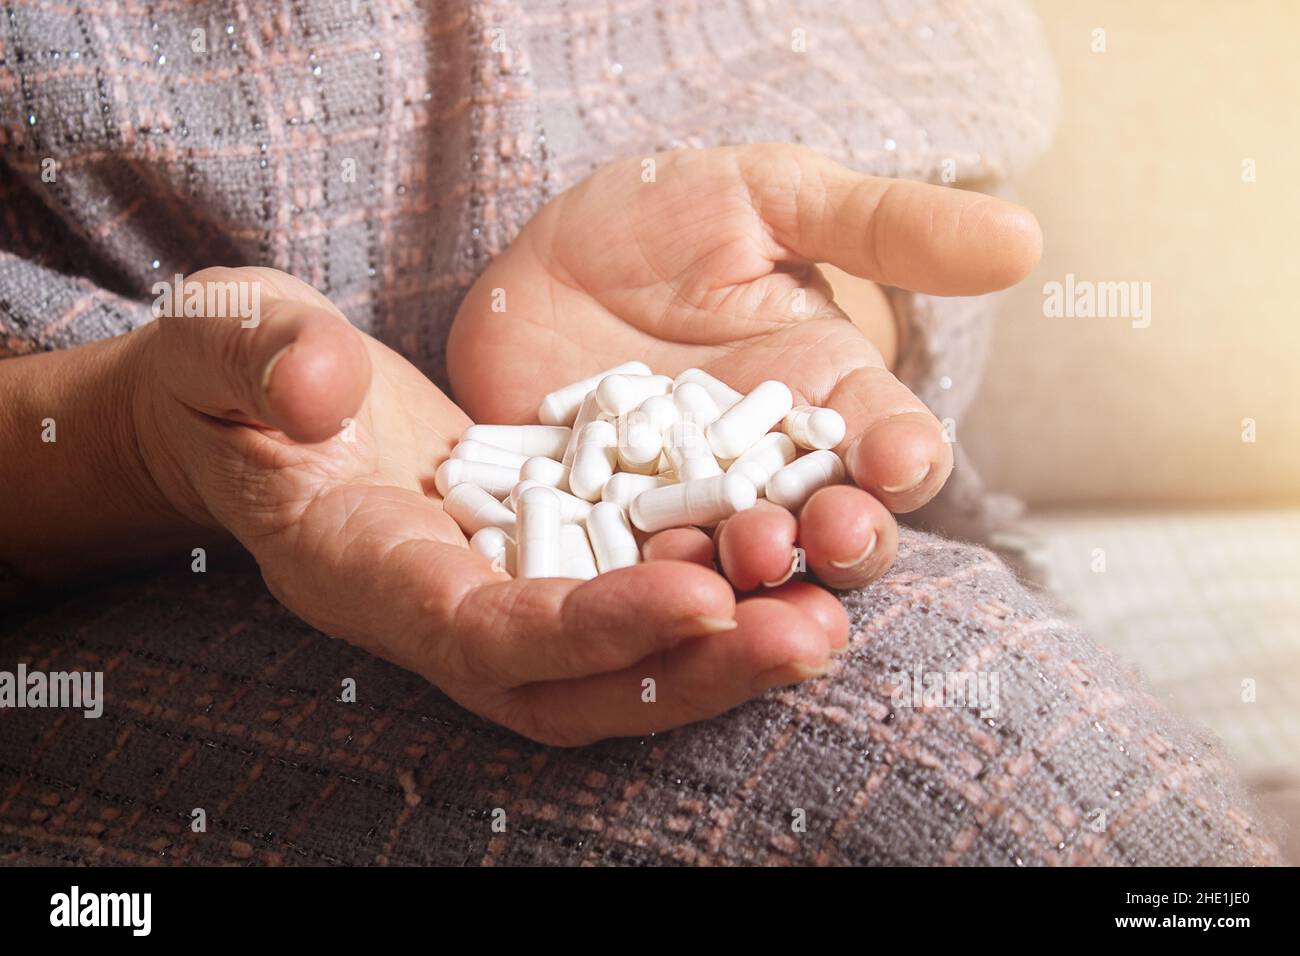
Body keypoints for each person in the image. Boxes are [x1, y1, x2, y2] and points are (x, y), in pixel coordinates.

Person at [0, 1, 1280, 864]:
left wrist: (829, 303)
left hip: (576, 473)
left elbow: (911, 100)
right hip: (93, 597)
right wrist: (127, 434)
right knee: (953, 777)